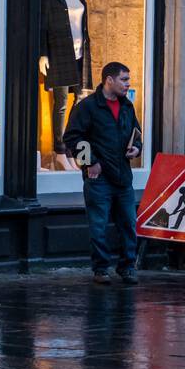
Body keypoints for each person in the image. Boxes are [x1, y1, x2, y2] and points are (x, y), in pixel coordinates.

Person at [63, 61, 143, 285]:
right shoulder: (88, 106)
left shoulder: (127, 106)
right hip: (98, 179)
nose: (128, 84)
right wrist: (90, 162)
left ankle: (127, 267)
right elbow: (71, 137)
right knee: (98, 226)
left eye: (128, 79)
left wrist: (137, 147)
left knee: (128, 223)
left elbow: (136, 133)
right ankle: (101, 269)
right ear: (109, 80)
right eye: (124, 79)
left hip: (123, 178)